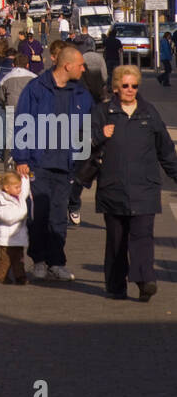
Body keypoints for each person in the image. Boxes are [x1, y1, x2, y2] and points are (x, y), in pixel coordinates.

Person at [80, 65, 177, 300]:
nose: (130, 90)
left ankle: (146, 281)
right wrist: (101, 135)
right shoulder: (102, 112)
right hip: (113, 187)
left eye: (134, 85)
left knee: (143, 236)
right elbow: (81, 145)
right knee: (117, 239)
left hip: (145, 187)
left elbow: (166, 150)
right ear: (115, 87)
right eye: (125, 86)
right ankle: (115, 285)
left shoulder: (149, 112)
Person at [14, 45, 94, 281]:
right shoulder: (36, 88)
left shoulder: (81, 94)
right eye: (80, 65)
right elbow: (22, 120)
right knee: (38, 215)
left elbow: (91, 125)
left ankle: (56, 262)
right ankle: (38, 260)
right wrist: (21, 158)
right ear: (67, 65)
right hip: (38, 164)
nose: (83, 68)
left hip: (66, 165)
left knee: (59, 216)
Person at [0, 170, 32, 284]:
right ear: (7, 188)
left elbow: (25, 190)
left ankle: (20, 277)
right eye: (16, 187)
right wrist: (23, 213)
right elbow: (8, 218)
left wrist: (24, 178)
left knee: (19, 259)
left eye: (19, 186)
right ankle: (1, 276)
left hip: (19, 236)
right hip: (7, 237)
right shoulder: (0, 201)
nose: (19, 189)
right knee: (5, 260)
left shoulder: (18, 196)